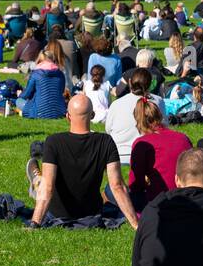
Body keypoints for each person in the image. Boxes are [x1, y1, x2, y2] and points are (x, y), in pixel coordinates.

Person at [29, 93, 138, 229]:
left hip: (57, 213)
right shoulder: (106, 142)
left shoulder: (53, 141)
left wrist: (35, 223)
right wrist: (136, 225)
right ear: (92, 115)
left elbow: (48, 187)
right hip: (91, 213)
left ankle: (37, 180)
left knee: (43, 183)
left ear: (68, 116)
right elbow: (117, 186)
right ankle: (37, 181)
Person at [126, 98, 192, 209]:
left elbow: (135, 185)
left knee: (112, 191)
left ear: (138, 121)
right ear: (160, 116)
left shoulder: (142, 143)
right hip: (189, 197)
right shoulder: (183, 138)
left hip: (159, 201)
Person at [104, 67, 165, 160]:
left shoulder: (116, 104)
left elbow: (108, 129)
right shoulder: (158, 101)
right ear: (150, 84)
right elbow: (164, 127)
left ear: (129, 82)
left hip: (119, 154)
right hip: (148, 154)